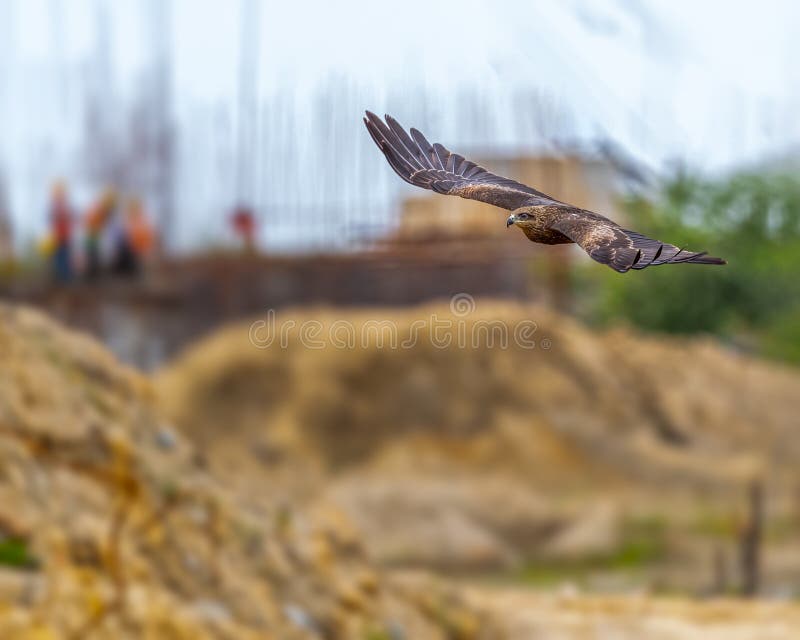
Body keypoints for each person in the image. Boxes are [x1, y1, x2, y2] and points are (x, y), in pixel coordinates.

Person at [84, 188, 116, 280]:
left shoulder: (108, 215)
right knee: (93, 256)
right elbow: (91, 224)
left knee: (100, 255)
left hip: (96, 237)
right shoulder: (97, 211)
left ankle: (99, 274)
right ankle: (93, 274)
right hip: (92, 237)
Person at [49, 180, 74, 282]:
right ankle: (61, 277)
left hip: (65, 237)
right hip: (58, 237)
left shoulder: (64, 208)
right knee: (59, 258)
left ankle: (65, 277)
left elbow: (69, 220)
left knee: (65, 257)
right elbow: (54, 221)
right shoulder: (56, 208)